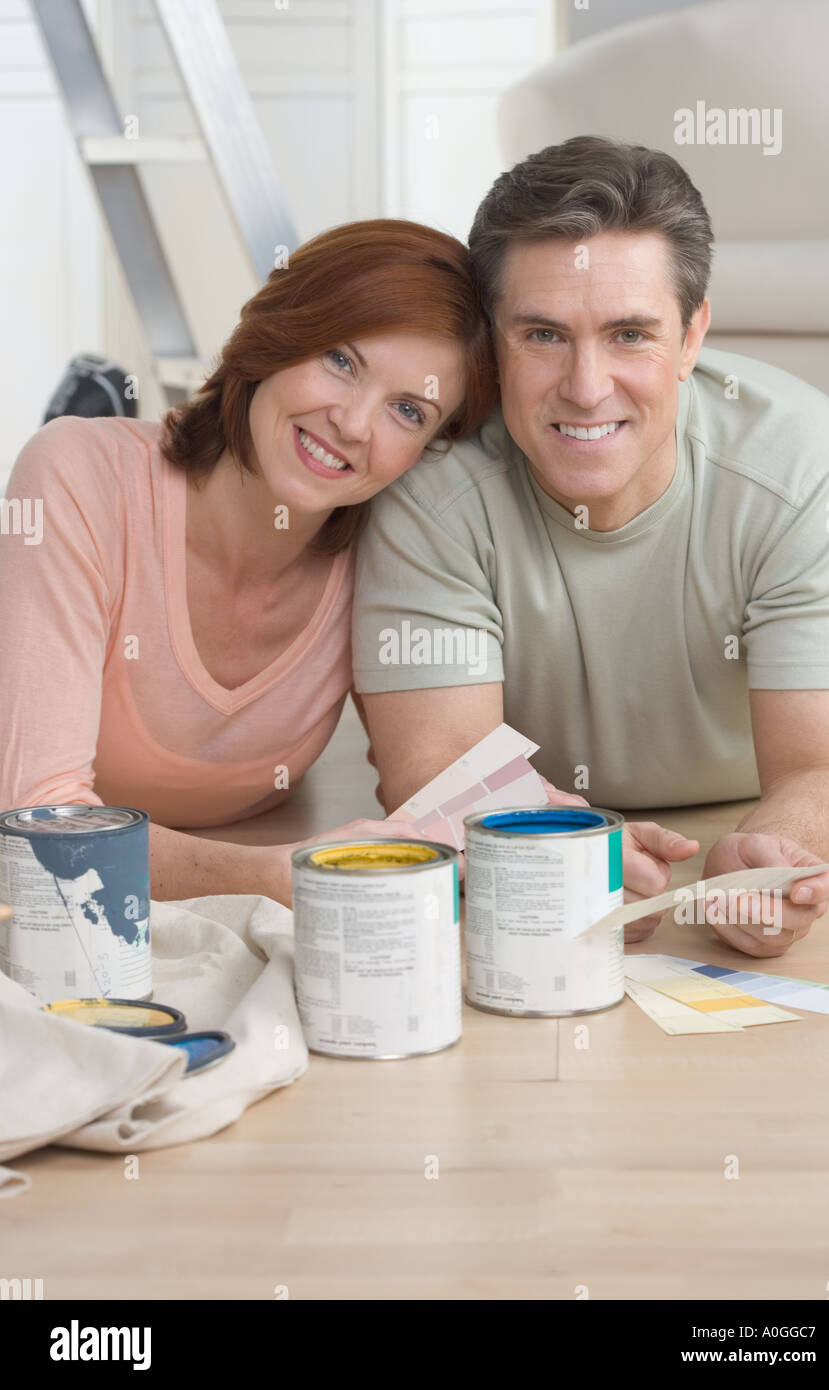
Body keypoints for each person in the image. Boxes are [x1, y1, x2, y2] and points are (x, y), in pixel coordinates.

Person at [352, 137, 829, 957]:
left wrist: (774, 857)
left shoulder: (804, 468)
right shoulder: (433, 486)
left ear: (694, 336)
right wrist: (562, 853)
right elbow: (439, 764)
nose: (587, 387)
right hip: (533, 813)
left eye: (631, 334)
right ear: (491, 341)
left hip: (727, 820)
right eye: (544, 335)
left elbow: (827, 768)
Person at [0, 219, 497, 906]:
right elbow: (37, 829)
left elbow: (445, 767)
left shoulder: (387, 548)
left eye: (408, 411)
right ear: (280, 331)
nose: (353, 424)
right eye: (342, 361)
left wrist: (581, 851)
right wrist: (265, 874)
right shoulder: (75, 472)